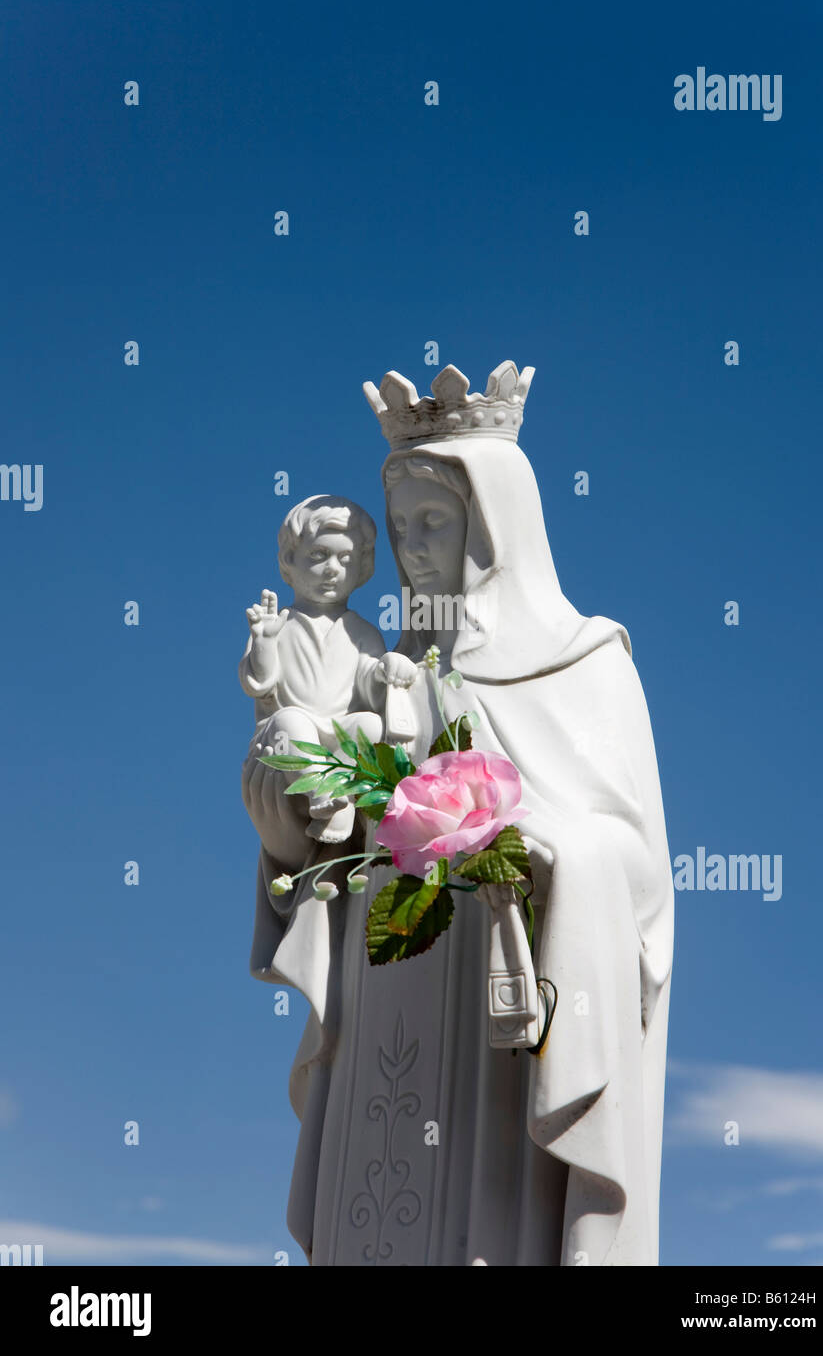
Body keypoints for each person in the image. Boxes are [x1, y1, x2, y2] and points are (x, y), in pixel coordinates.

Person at [249, 372, 674, 1266]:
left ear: (496, 529)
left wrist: (548, 846)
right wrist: (298, 794)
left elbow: (638, 881)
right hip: (385, 993)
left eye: (433, 523)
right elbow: (311, 853)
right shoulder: (380, 667)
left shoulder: (586, 662)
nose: (412, 549)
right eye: (400, 529)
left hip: (502, 1028)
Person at [239, 494, 414, 843]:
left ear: (361, 568)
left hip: (339, 731)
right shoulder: (279, 624)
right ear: (290, 560)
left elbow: (369, 680)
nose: (333, 568)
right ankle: (325, 797)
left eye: (345, 558)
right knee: (292, 721)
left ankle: (338, 797)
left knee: (370, 724)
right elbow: (259, 682)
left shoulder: (362, 632)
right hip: (288, 734)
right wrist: (264, 641)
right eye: (318, 556)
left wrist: (387, 668)